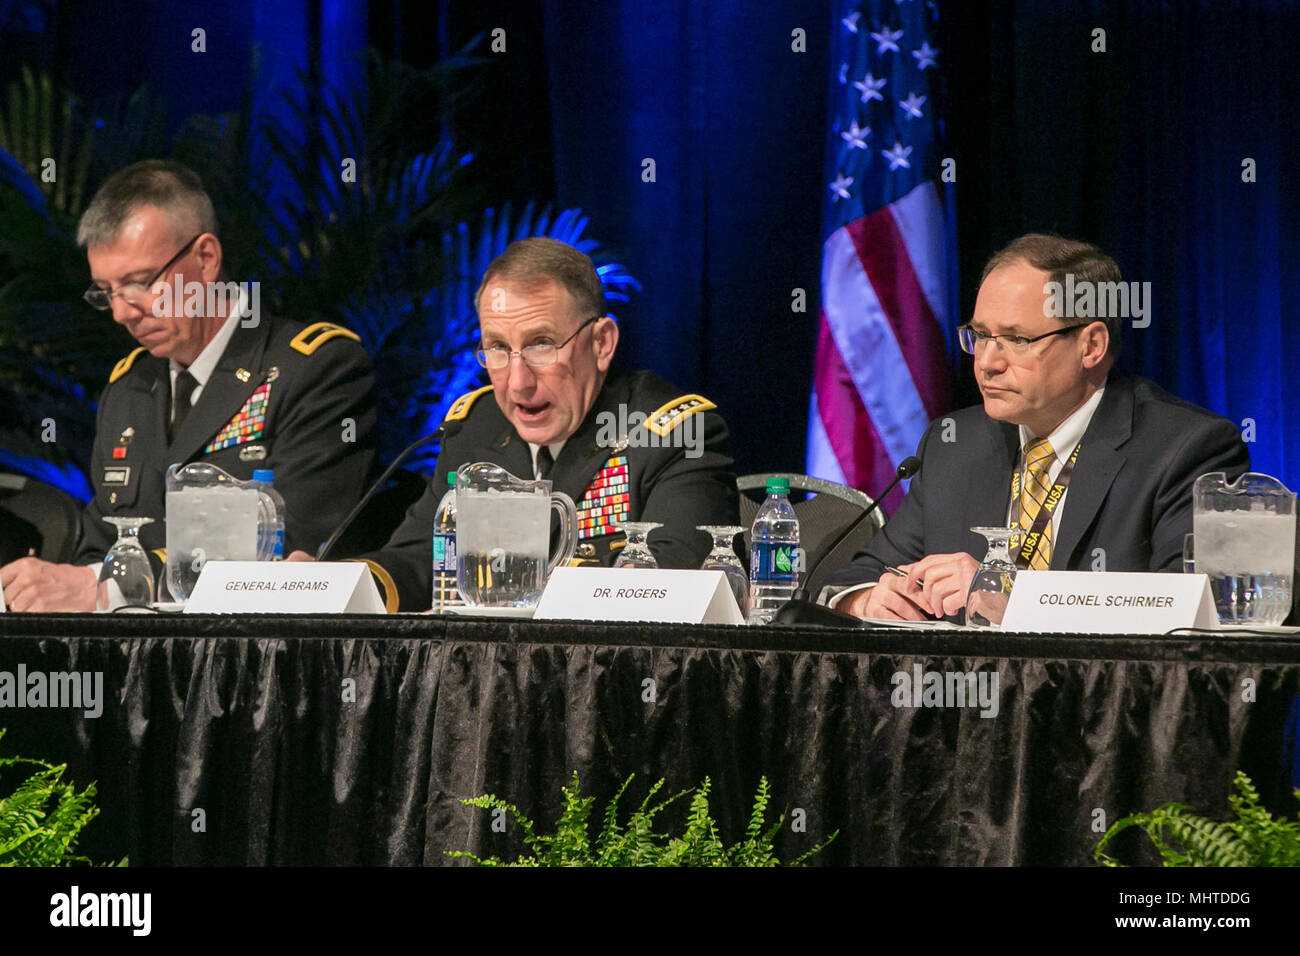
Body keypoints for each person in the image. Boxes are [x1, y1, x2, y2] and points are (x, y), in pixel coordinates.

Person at [0, 159, 377, 611]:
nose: (122, 313)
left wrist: (108, 588)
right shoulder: (130, 388)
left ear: (206, 259)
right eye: (106, 291)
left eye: (140, 284)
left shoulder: (315, 368)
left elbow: (297, 545)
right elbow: (98, 547)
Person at [826, 233, 1251, 621]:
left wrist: (1015, 600)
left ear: (1091, 346)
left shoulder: (1184, 448)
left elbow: (1194, 612)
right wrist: (867, 599)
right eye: (980, 335)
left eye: (1017, 340)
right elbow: (860, 576)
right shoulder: (954, 443)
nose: (988, 362)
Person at [301, 237, 740, 611]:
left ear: (602, 343)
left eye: (542, 345)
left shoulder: (670, 434)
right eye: (497, 348)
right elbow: (422, 557)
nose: (517, 382)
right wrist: (338, 584)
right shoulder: (474, 429)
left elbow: (675, 586)